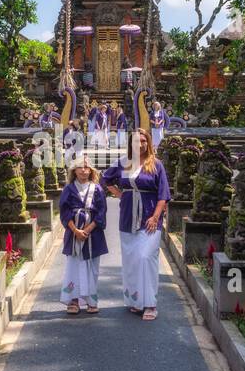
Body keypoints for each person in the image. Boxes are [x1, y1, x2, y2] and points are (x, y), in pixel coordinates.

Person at [102, 128, 170, 321]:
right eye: (136, 141)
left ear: (148, 142)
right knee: (131, 260)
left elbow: (163, 195)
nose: (140, 144)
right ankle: (135, 300)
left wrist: (156, 217)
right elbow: (105, 178)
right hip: (128, 217)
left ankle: (150, 303)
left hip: (149, 219)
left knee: (145, 257)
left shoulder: (156, 165)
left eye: (143, 141)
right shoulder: (124, 163)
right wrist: (120, 194)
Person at [59, 157, 106, 314]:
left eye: (87, 167)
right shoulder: (69, 189)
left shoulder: (97, 189)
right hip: (74, 235)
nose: (84, 170)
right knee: (74, 265)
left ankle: (91, 300)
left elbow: (101, 212)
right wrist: (76, 231)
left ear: (91, 170)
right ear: (74, 170)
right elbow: (65, 212)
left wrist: (88, 229)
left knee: (92, 267)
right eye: (80, 167)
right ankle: (73, 300)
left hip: (93, 235)